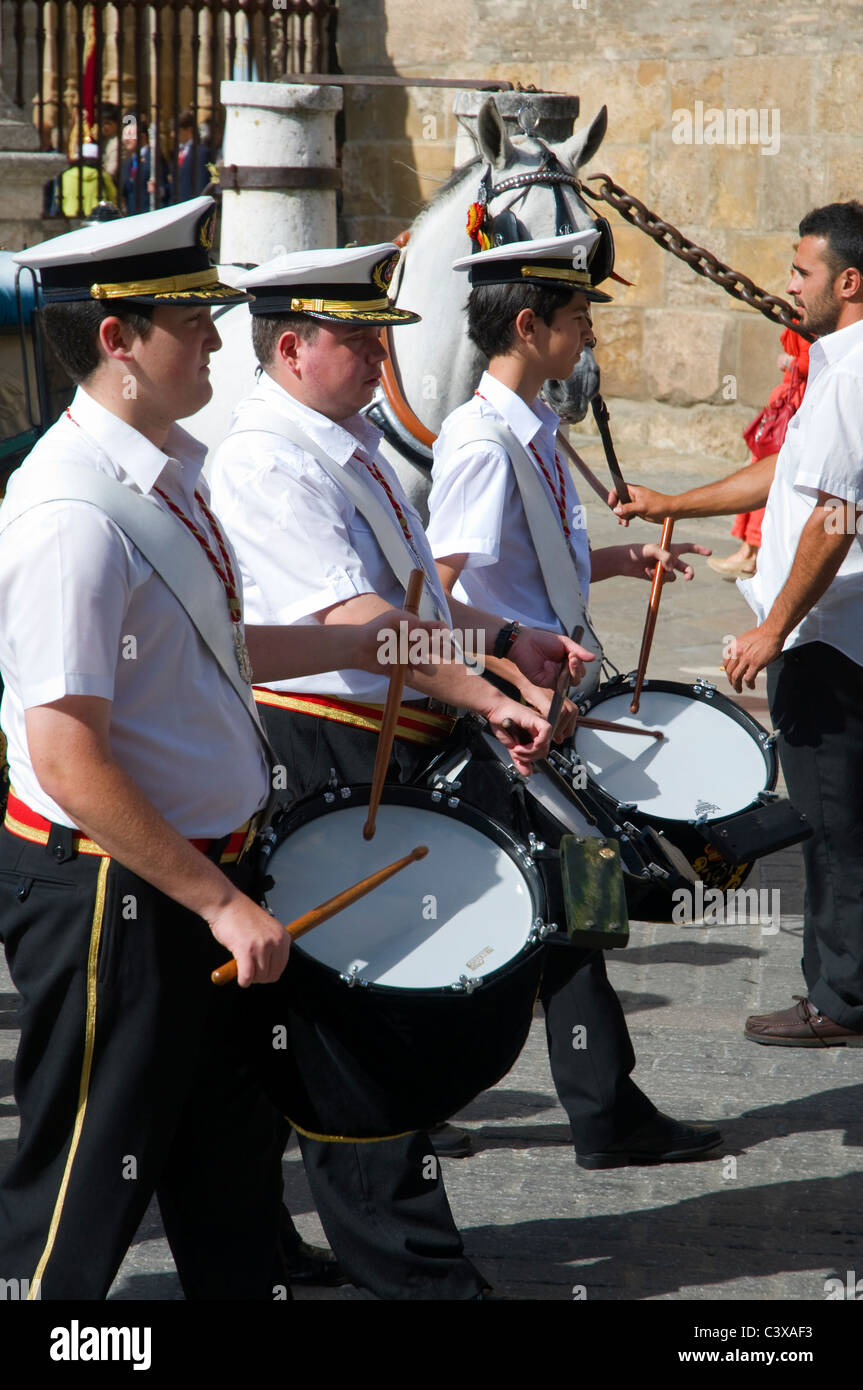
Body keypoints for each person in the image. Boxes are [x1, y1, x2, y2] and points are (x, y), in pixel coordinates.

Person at [0, 198, 435, 1300]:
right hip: (123, 893)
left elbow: (220, 649)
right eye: (190, 319)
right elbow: (67, 756)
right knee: (81, 1190)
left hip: (198, 873)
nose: (212, 339)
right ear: (116, 340)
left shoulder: (165, 467)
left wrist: (411, 644)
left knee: (229, 1177)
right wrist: (218, 903)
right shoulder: (70, 513)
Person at [210, 243, 587, 1300]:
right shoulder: (267, 458)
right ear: (290, 347)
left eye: (383, 336)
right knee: (357, 1021)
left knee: (282, 1026)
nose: (382, 356)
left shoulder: (349, 440)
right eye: (358, 338)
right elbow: (360, 627)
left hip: (380, 746)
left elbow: (415, 603)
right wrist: (491, 694)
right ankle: (418, 1278)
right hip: (318, 748)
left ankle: (247, 1245)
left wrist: (504, 636)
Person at [425, 229, 721, 1169]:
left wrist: (621, 560)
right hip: (507, 713)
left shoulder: (532, 426)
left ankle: (601, 1109)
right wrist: (512, 673)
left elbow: (527, 564)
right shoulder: (481, 442)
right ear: (529, 325)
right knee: (542, 909)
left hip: (544, 700)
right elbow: (443, 589)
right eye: (579, 315)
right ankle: (420, 1090)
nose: (590, 331)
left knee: (574, 912)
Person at [612, 201, 863, 1048]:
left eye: (801, 272)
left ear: (848, 282)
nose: (788, 285)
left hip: (827, 645)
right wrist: (670, 503)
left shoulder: (853, 376)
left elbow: (833, 519)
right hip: (829, 639)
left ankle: (841, 1001)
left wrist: (772, 629)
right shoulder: (838, 368)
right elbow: (785, 475)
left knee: (832, 829)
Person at [708, 327, 810, 580]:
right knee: (759, 473)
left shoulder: (819, 316)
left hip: (794, 407)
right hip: (787, 404)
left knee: (767, 479)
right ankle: (748, 550)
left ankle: (751, 553)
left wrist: (789, 361)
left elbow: (813, 361)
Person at [174, 109, 212, 203]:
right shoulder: (178, 152)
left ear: (189, 130)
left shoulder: (201, 152)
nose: (172, 135)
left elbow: (202, 186)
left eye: (177, 131)